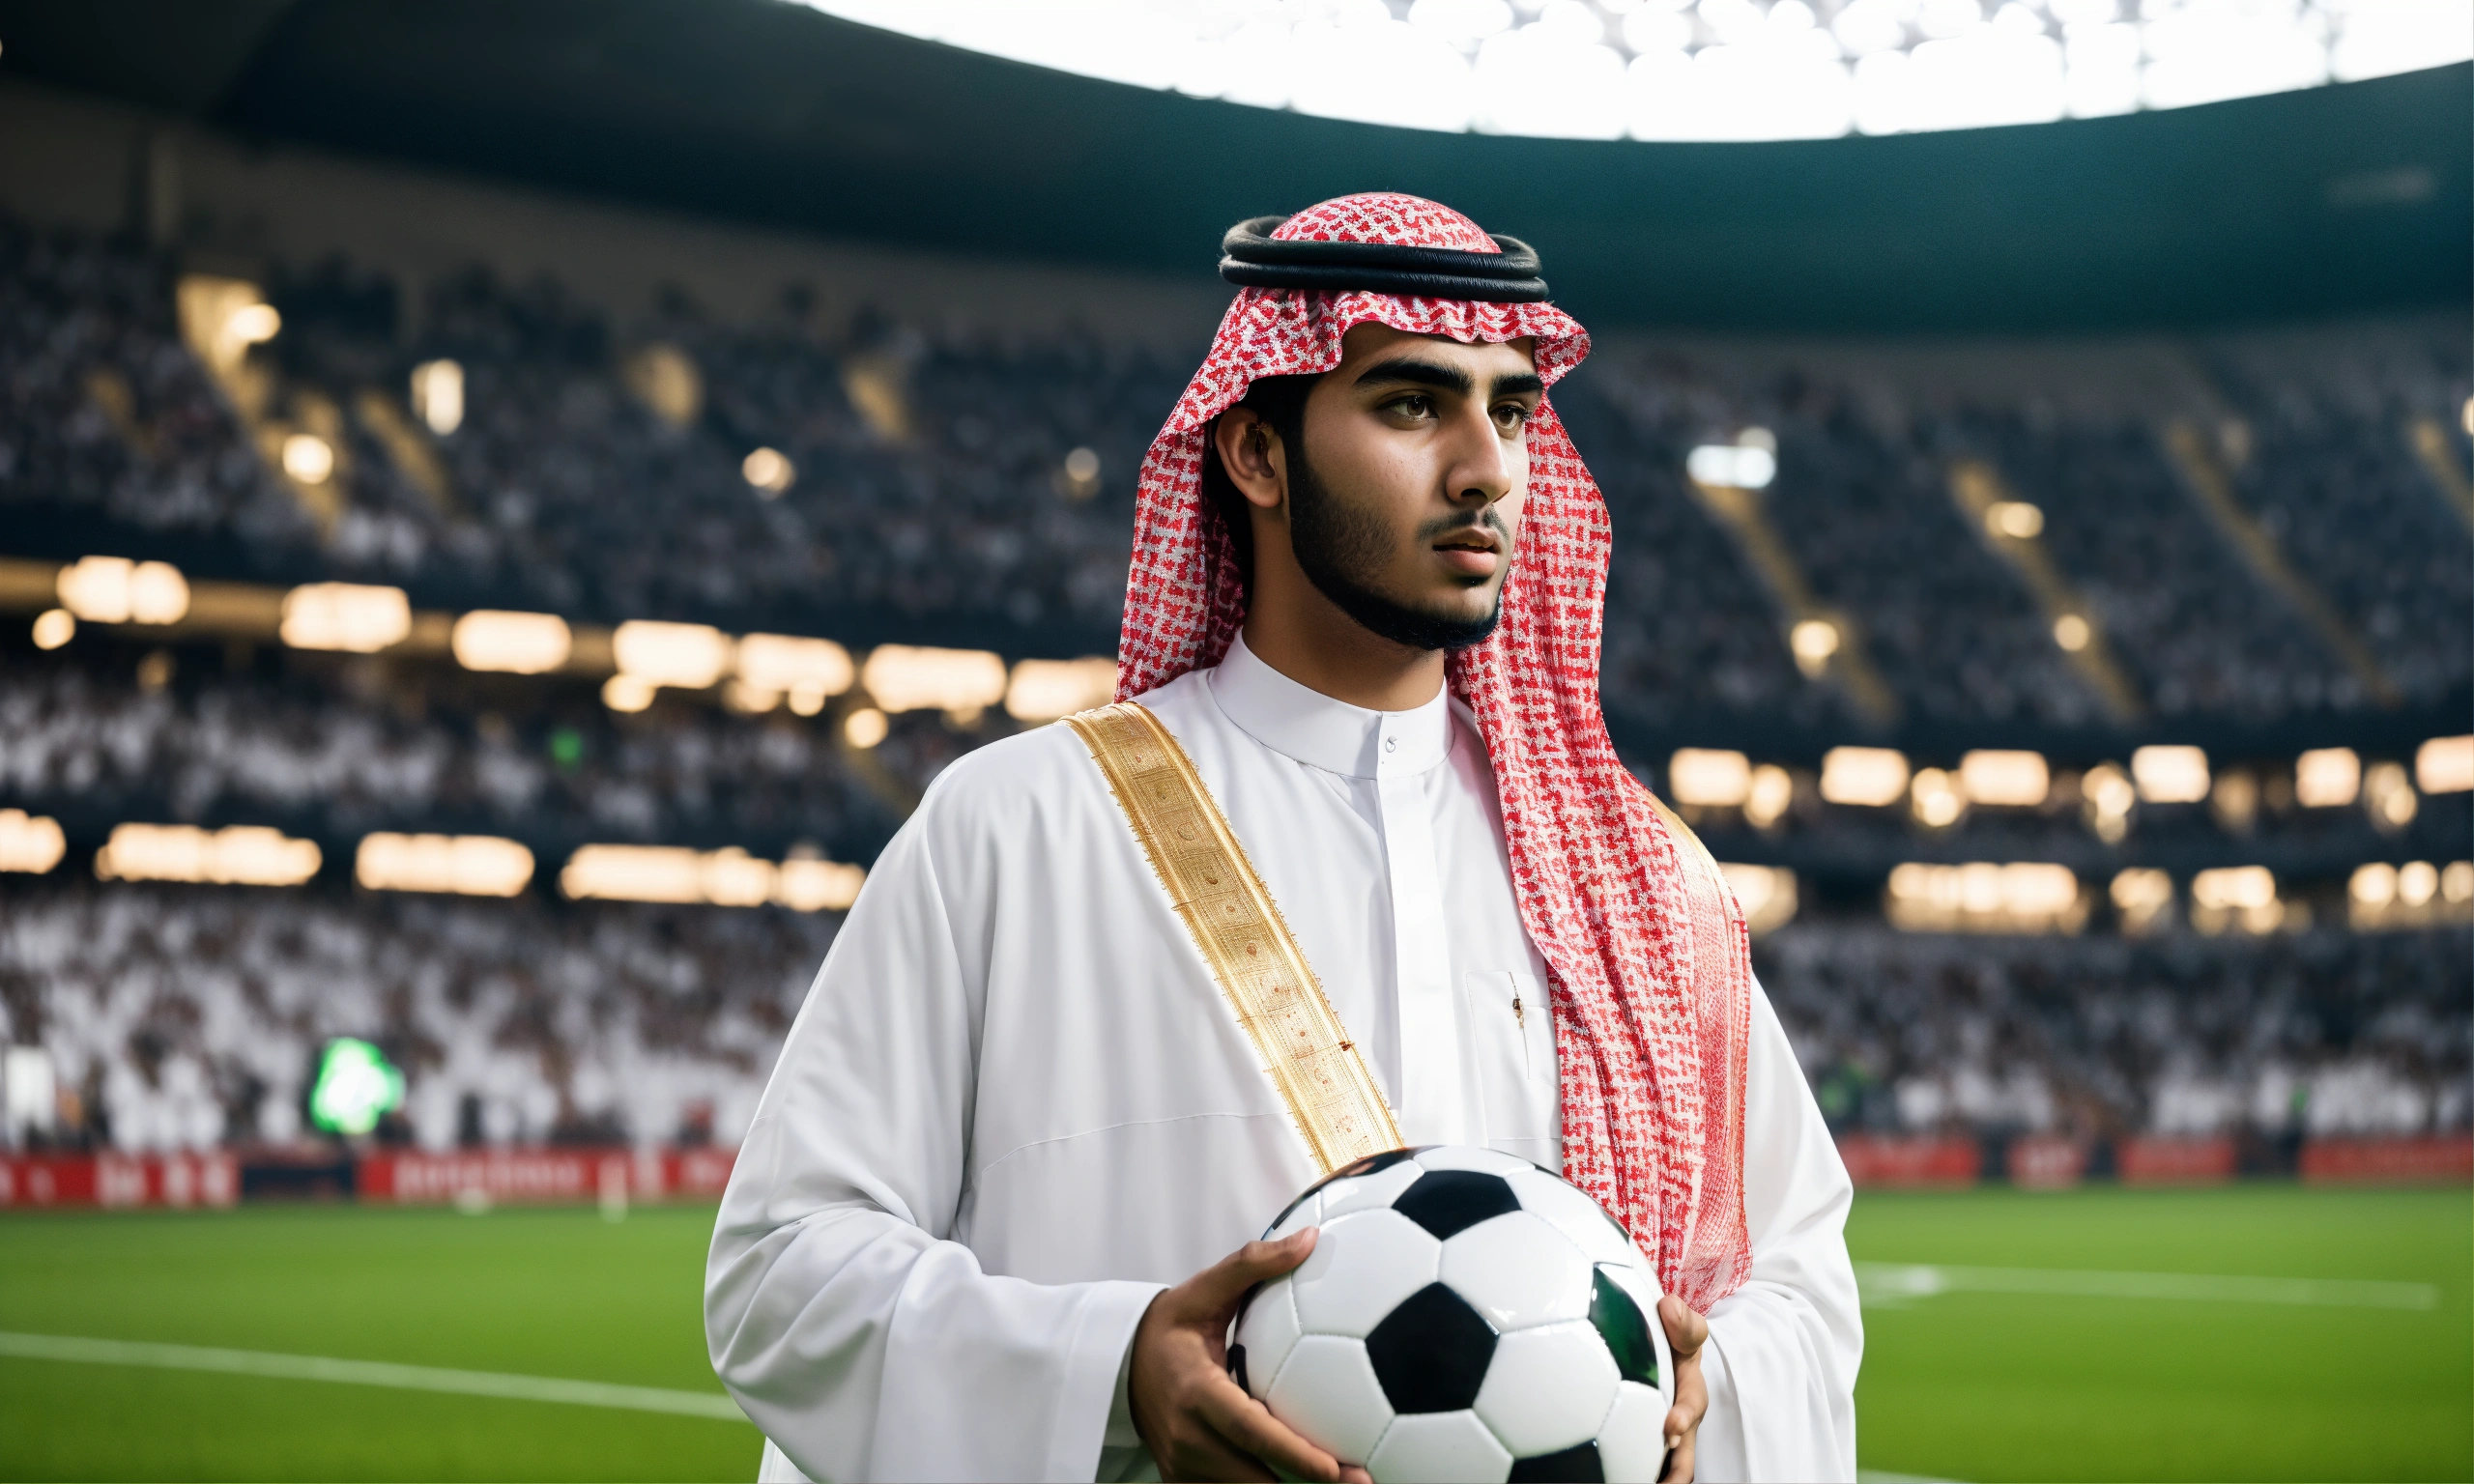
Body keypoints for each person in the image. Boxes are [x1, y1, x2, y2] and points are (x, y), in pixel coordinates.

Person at [705, 193, 1860, 1483]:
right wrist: (1115, 1369)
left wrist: (1689, 1392)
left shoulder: (1644, 886)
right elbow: (782, 1272)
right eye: (1414, 406)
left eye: (1515, 409)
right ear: (1255, 455)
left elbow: (1803, 1288)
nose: (1486, 466)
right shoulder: (1019, 828)